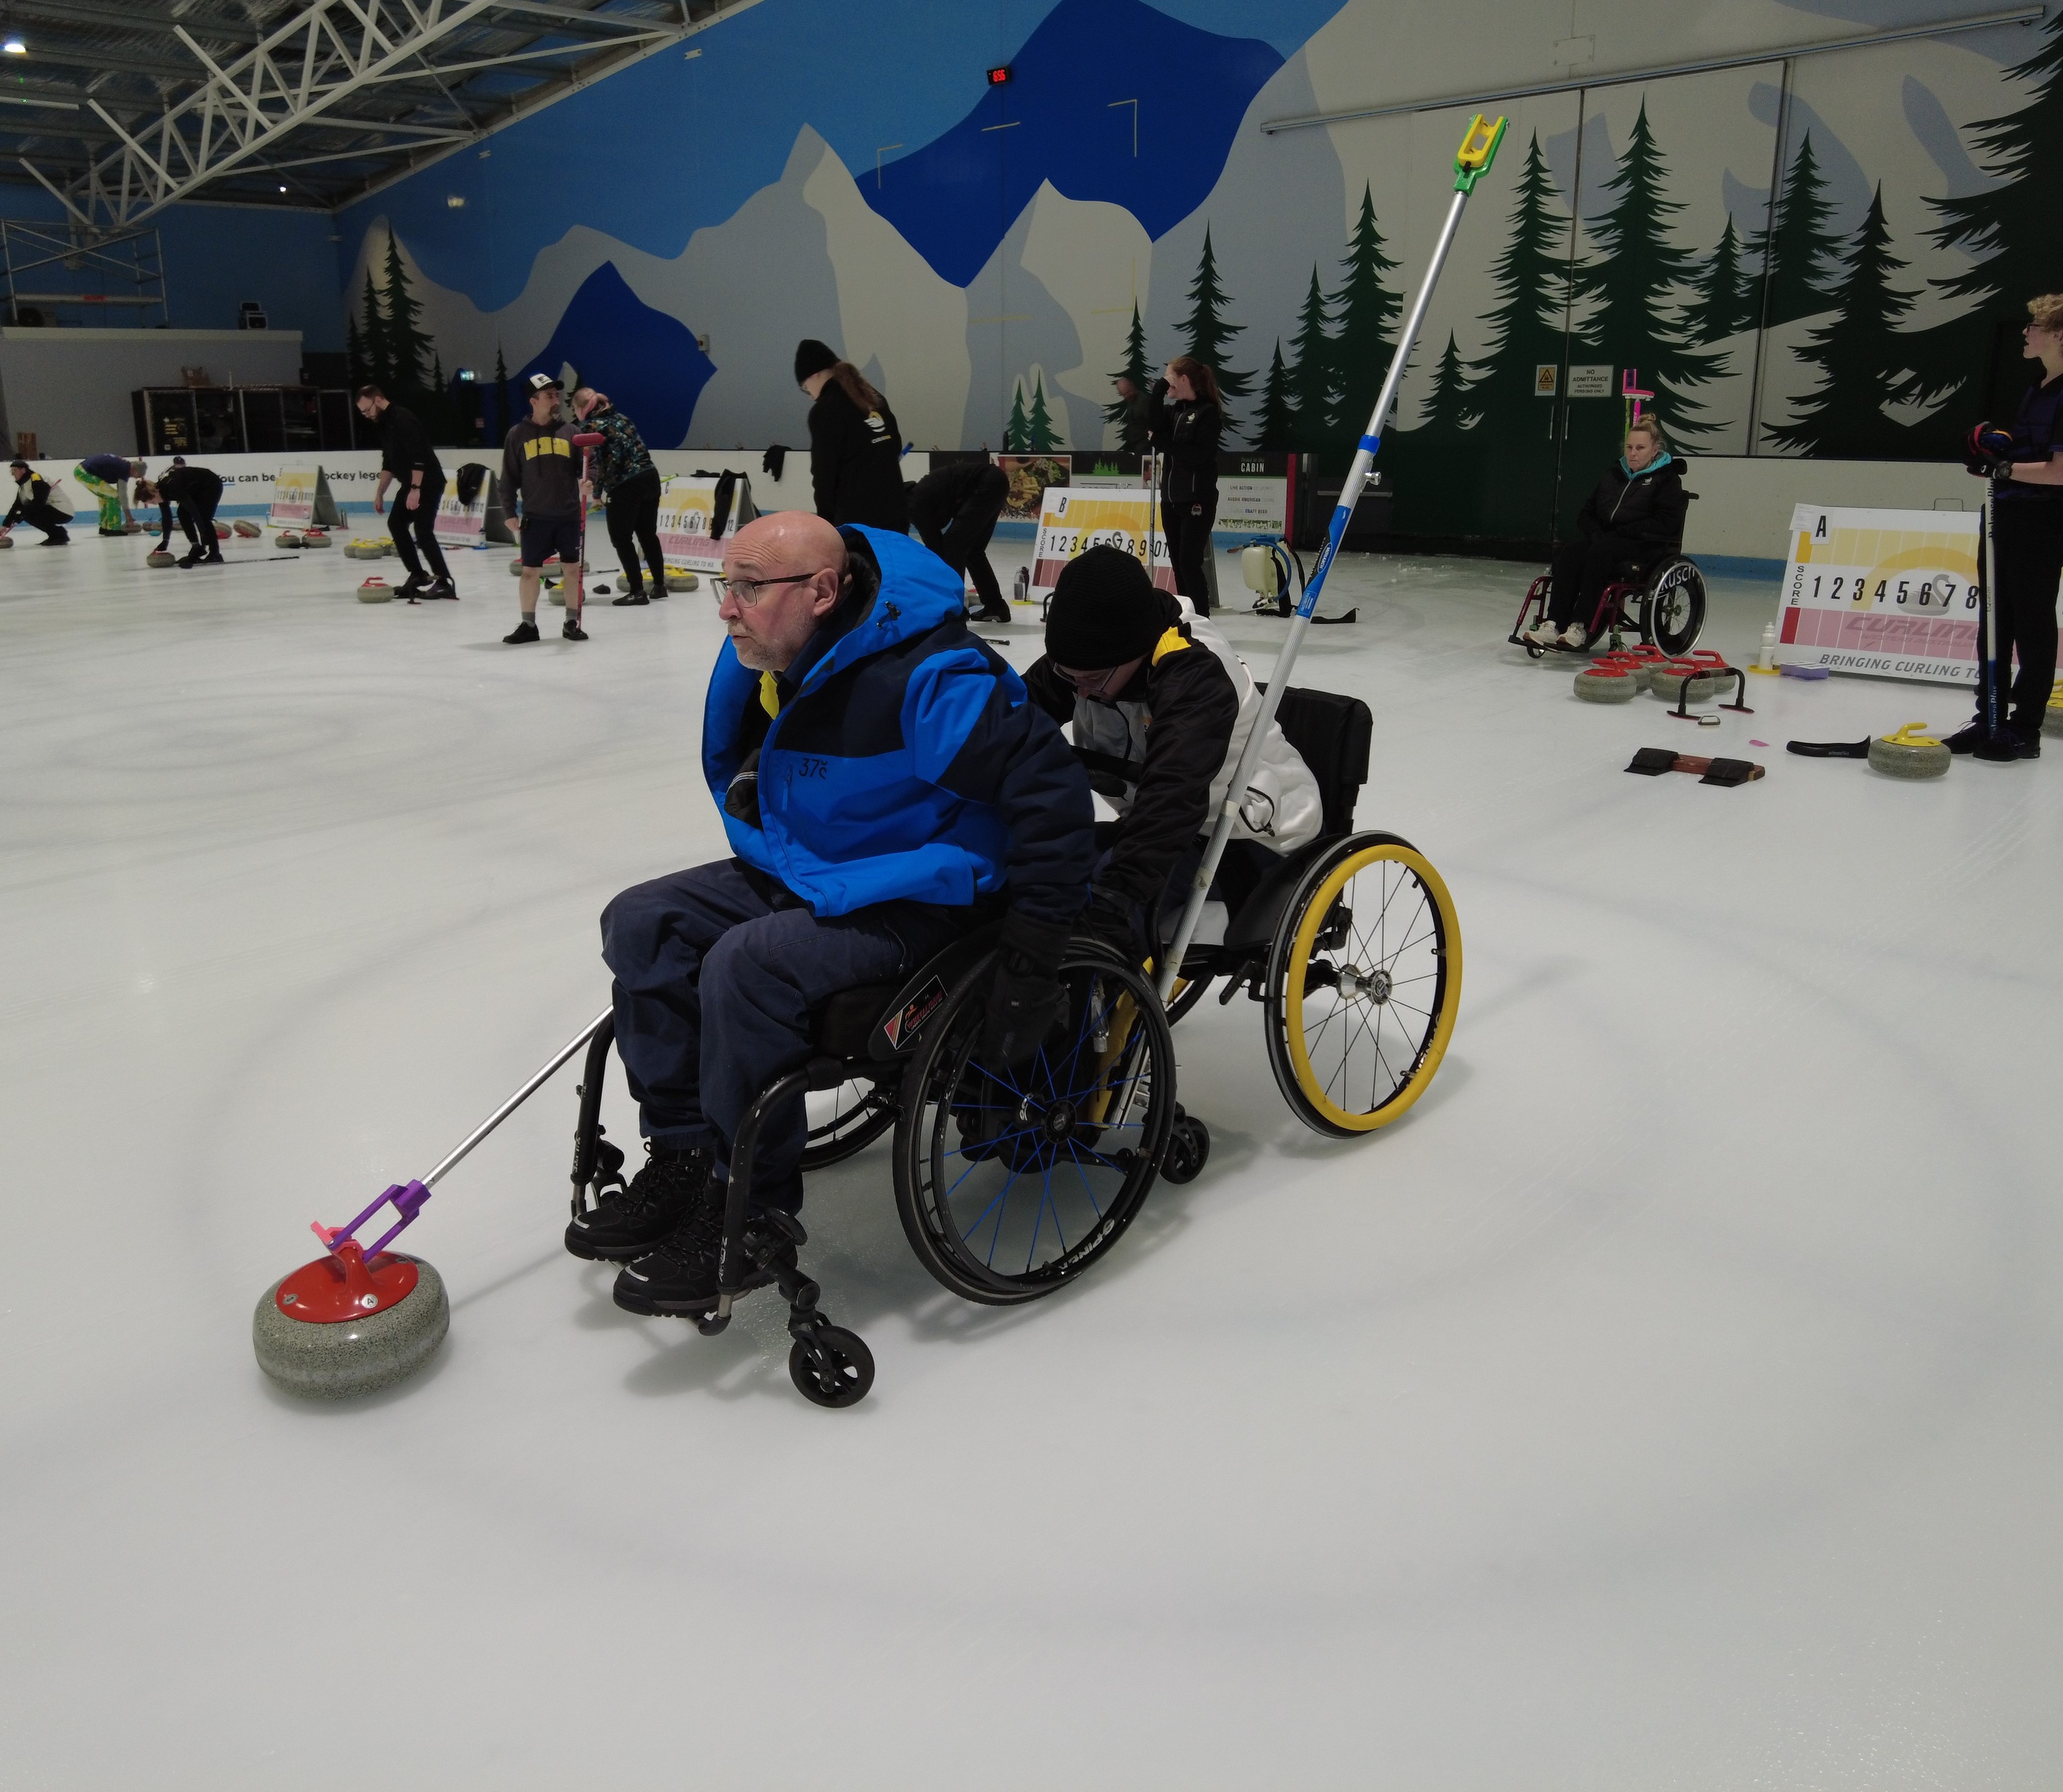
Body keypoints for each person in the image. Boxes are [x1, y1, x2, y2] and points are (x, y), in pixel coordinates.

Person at [574, 511, 1093, 1316]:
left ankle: (752, 1213)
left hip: (928, 892)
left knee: (746, 966)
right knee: (643, 920)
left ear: (823, 591)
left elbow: (1055, 799)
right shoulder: (781, 649)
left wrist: (1034, 957)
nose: (725, 608)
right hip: (822, 867)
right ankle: (682, 1156)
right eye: (726, 585)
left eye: (748, 588)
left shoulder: (931, 678)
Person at [1022, 545, 1321, 954]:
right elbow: (1014, 714)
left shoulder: (1193, 678)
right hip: (1162, 827)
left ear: (1136, 650)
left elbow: (1173, 793)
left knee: (1096, 913)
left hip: (1244, 842)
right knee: (1037, 874)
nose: (1080, 690)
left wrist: (1116, 894)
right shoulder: (1092, 659)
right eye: (1068, 676)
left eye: (1090, 678)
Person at [1950, 292, 2063, 760]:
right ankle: (1989, 718)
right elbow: (2027, 452)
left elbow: (2058, 472)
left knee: (2032, 620)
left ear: (2059, 335)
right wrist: (1997, 449)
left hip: (2041, 518)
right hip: (2005, 511)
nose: (2025, 331)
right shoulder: (2037, 387)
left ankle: (2025, 729)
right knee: (1994, 618)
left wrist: (2002, 470)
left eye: (2034, 326)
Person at [1524, 416, 1688, 650]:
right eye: (1629, 447)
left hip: (1644, 546)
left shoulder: (1667, 480)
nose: (1633, 453)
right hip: (1606, 541)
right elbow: (1586, 514)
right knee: (1569, 553)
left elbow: (1666, 522)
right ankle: (1554, 623)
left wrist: (1621, 533)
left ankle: (1580, 626)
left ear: (1655, 450)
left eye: (1640, 448)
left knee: (1600, 553)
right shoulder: (1614, 475)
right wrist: (1596, 533)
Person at [499, 373, 590, 644]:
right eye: (549, 396)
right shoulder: (517, 435)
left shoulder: (572, 433)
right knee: (530, 572)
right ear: (533, 401)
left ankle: (571, 622)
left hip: (568, 516)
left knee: (572, 569)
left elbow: (588, 466)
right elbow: (508, 478)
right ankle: (528, 625)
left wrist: (589, 482)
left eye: (556, 395)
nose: (556, 400)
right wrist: (508, 513)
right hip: (535, 517)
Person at [795, 338, 909, 532]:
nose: (810, 395)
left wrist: (826, 522)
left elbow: (824, 473)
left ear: (815, 375)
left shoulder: (825, 410)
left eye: (805, 388)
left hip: (857, 522)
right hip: (896, 513)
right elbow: (895, 446)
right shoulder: (872, 396)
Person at [357, 385, 455, 601]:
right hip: (412, 484)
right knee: (396, 523)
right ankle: (418, 574)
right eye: (363, 413)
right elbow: (388, 463)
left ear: (379, 400)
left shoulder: (403, 419)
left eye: (367, 410)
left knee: (423, 531)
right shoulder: (383, 424)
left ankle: (444, 582)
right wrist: (379, 494)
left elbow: (418, 456)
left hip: (427, 483)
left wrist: (415, 489)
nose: (366, 416)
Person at [572, 386, 666, 607]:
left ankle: (637, 590)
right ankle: (660, 585)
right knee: (647, 534)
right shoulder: (622, 418)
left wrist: (596, 494)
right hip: (650, 477)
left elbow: (597, 464)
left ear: (581, 408)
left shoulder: (591, 427)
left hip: (625, 485)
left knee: (621, 538)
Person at [1147, 357, 1224, 615]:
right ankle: (1186, 615)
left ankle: (1202, 618)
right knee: (1178, 565)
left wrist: (1163, 442)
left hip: (1197, 500)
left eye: (1169, 378)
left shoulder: (1208, 413)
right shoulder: (1174, 411)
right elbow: (1154, 427)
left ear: (1184, 380)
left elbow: (1197, 456)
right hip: (1171, 501)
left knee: (1190, 562)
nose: (1167, 383)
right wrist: (1158, 392)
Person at [909, 453, 1011, 623]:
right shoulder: (917, 495)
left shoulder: (914, 505)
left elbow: (936, 546)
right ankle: (996, 606)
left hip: (986, 485)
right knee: (973, 551)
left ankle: (954, 610)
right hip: (996, 482)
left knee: (953, 546)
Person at [155, 462, 225, 566]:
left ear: (154, 493)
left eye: (150, 501)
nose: (154, 503)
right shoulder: (159, 491)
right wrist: (165, 541)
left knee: (204, 517)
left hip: (210, 484)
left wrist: (204, 533)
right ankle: (196, 547)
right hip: (195, 489)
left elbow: (194, 511)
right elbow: (167, 517)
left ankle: (215, 554)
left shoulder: (173, 487)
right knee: (182, 514)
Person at [0, 460, 70, 544]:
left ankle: (60, 535)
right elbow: (17, 506)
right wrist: (6, 525)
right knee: (26, 513)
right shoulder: (24, 486)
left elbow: (39, 503)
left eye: (14, 470)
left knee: (28, 514)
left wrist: (20, 515)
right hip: (53, 509)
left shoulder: (36, 479)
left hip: (62, 510)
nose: (12, 474)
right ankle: (55, 536)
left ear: (23, 470)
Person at [74, 453, 141, 535]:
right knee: (115, 497)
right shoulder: (124, 470)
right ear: (134, 469)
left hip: (81, 471)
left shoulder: (124, 465)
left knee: (106, 497)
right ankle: (113, 528)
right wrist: (129, 517)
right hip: (85, 473)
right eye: (139, 475)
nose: (137, 478)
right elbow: (122, 495)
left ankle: (105, 527)